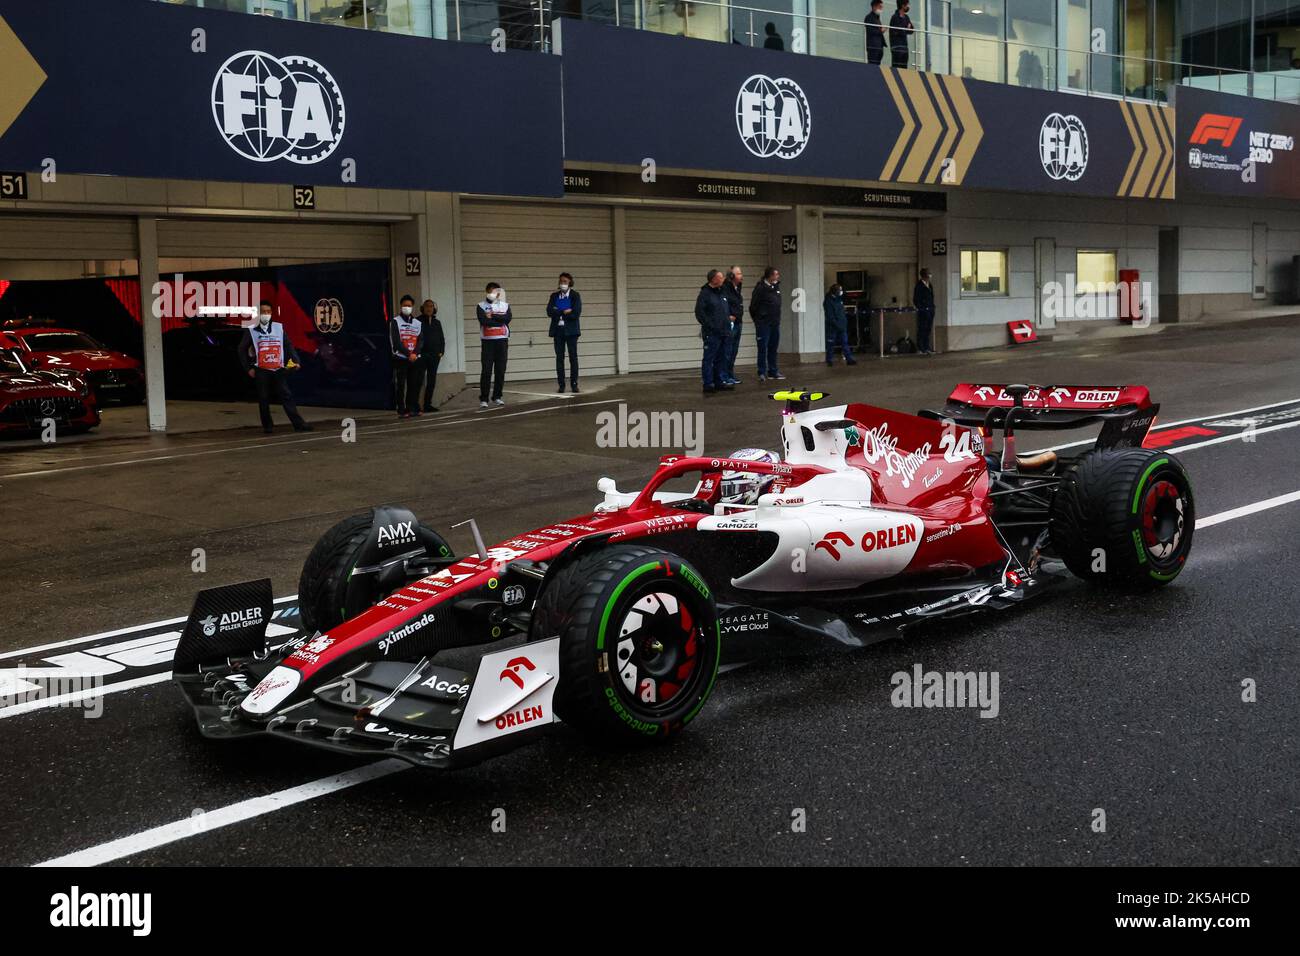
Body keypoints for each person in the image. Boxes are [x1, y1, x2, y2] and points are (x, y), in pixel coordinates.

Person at [238, 300, 312, 434]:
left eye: (268, 312)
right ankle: (268, 426)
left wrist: (296, 360)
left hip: (278, 367)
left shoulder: (278, 328)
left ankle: (298, 424)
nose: (266, 314)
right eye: (263, 312)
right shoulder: (251, 330)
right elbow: (241, 349)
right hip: (261, 369)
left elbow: (288, 345)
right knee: (263, 397)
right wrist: (248, 368)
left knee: (286, 395)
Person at [695, 269, 733, 395]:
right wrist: (710, 326)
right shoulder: (705, 294)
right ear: (714, 279)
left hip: (724, 331)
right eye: (720, 277)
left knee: (721, 358)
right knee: (709, 358)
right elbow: (700, 313)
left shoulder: (722, 292)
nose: (723, 280)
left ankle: (719, 381)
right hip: (712, 333)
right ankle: (708, 383)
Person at [546, 272, 582, 394]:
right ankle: (561, 385)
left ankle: (574, 383)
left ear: (570, 283)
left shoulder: (575, 295)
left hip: (571, 331)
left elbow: (575, 313)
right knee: (559, 358)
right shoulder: (554, 296)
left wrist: (559, 310)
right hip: (558, 330)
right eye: (561, 281)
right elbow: (549, 311)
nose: (562, 284)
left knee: (573, 357)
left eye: (565, 282)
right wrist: (564, 311)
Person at [477, 282, 511, 408]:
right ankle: (484, 398)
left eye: (496, 291)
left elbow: (507, 319)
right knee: (486, 370)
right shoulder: (481, 306)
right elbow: (484, 321)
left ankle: (497, 396)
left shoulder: (505, 305)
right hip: (488, 342)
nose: (494, 294)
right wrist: (498, 321)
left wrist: (494, 316)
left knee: (500, 370)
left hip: (502, 341)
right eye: (491, 291)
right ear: (487, 291)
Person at [389, 294, 423, 418]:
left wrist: (415, 353)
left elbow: (420, 340)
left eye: (409, 306)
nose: (407, 307)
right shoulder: (395, 322)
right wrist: (408, 354)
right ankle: (401, 409)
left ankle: (411, 408)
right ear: (401, 306)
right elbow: (396, 343)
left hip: (414, 358)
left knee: (413, 384)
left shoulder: (417, 323)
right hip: (400, 358)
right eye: (405, 305)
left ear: (412, 307)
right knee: (401, 385)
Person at [749, 266, 785, 382]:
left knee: (773, 348)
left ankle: (773, 371)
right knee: (762, 348)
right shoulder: (760, 288)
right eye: (776, 274)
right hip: (763, 324)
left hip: (774, 322)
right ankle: (761, 372)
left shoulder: (776, 287)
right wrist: (758, 320)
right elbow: (753, 306)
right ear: (770, 276)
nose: (777, 276)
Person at [418, 299, 444, 412]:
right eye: (427, 306)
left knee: (431, 381)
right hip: (422, 355)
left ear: (434, 309)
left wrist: (441, 352)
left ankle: (427, 404)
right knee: (418, 380)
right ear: (423, 308)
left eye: (431, 306)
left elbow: (441, 339)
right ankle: (415, 405)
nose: (429, 308)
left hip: (434, 356)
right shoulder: (417, 321)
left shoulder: (437, 323)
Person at [721, 266, 745, 386]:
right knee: (727, 350)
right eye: (738, 273)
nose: (741, 275)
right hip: (731, 323)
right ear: (731, 276)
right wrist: (729, 315)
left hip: (738, 321)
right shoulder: (725, 288)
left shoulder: (738, 288)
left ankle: (730, 373)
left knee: (734, 350)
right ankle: (724, 375)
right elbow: (724, 303)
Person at [824, 284, 857, 366]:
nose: (841, 292)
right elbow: (830, 316)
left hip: (842, 325)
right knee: (830, 344)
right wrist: (837, 324)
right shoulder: (828, 301)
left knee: (845, 343)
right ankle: (829, 360)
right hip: (832, 327)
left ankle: (849, 359)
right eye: (840, 290)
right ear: (835, 291)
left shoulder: (839, 299)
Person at [913, 267, 936, 355]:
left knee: (928, 329)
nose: (929, 276)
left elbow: (932, 297)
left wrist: (932, 307)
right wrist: (921, 308)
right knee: (922, 329)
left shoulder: (930, 285)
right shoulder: (919, 286)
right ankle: (920, 347)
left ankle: (927, 347)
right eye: (928, 274)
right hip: (923, 311)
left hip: (930, 309)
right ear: (924, 276)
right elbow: (916, 299)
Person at [890, 0, 913, 68]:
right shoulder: (895, 17)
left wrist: (906, 29)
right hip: (896, 47)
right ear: (903, 6)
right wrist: (906, 28)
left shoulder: (906, 17)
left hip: (904, 47)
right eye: (907, 5)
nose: (908, 6)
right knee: (896, 67)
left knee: (904, 68)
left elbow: (911, 30)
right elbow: (899, 30)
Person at [864, 0, 886, 65]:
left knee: (878, 66)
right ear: (874, 7)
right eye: (880, 7)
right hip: (873, 46)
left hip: (879, 46)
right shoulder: (869, 17)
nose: (881, 9)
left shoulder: (877, 18)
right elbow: (870, 30)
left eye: (881, 7)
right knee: (872, 65)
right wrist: (881, 31)